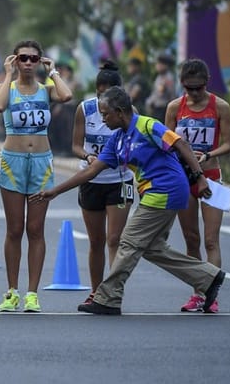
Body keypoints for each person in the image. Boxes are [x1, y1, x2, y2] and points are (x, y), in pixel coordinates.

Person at [32, 86, 226, 315]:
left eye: (105, 114)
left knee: (128, 241)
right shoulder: (117, 139)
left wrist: (200, 178)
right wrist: (55, 191)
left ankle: (108, 298)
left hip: (167, 189)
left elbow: (181, 144)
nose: (103, 120)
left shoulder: (148, 125)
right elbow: (91, 171)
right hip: (154, 192)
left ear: (120, 111)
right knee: (153, 248)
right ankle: (209, 277)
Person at [0, 40, 73, 312]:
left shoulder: (46, 90)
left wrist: (53, 71)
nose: (27, 63)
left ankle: (32, 294)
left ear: (39, 61)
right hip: (13, 162)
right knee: (15, 229)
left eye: (32, 59)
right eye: (23, 58)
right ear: (15, 60)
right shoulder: (8, 87)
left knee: (35, 229)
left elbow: (67, 96)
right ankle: (12, 291)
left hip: (41, 162)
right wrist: (8, 74)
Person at [164, 58, 230, 313]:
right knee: (191, 239)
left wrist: (209, 154)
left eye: (198, 88)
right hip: (184, 179)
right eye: (188, 88)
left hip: (210, 175)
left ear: (207, 83)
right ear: (182, 84)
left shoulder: (220, 106)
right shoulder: (174, 107)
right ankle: (198, 293)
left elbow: (228, 143)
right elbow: (166, 142)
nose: (193, 93)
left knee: (211, 240)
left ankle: (211, 296)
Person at [71, 60, 133, 304]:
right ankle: (96, 292)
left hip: (120, 180)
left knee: (114, 239)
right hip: (91, 180)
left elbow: (135, 146)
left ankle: (114, 291)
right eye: (99, 93)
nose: (102, 99)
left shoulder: (131, 113)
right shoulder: (84, 109)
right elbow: (75, 145)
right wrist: (88, 156)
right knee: (96, 241)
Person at [145, 54, 175, 122]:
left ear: (165, 65)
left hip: (163, 109)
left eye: (159, 64)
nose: (157, 66)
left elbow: (161, 93)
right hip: (157, 109)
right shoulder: (159, 77)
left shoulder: (168, 78)